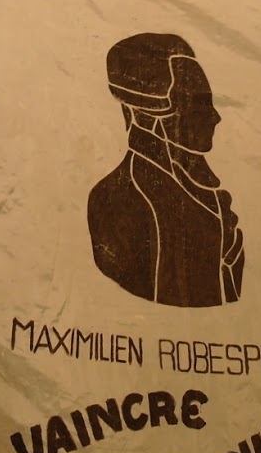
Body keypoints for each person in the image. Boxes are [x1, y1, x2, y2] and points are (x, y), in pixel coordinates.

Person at [88, 34, 241, 308]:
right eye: (199, 103)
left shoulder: (211, 199)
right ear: (152, 113)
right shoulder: (118, 198)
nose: (215, 116)